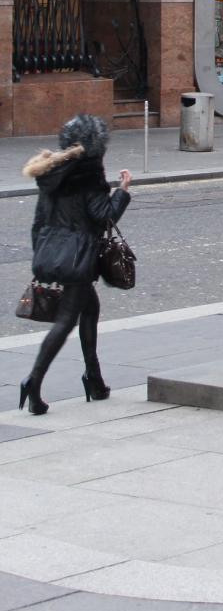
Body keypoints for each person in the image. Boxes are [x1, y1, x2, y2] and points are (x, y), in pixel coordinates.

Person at [19, 114, 132, 415]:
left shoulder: (53, 173)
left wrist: (43, 256)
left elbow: (39, 221)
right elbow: (103, 215)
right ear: (97, 147)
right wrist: (122, 190)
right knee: (66, 320)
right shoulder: (89, 175)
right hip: (79, 257)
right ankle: (34, 381)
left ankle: (93, 378)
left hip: (55, 252)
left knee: (90, 309)